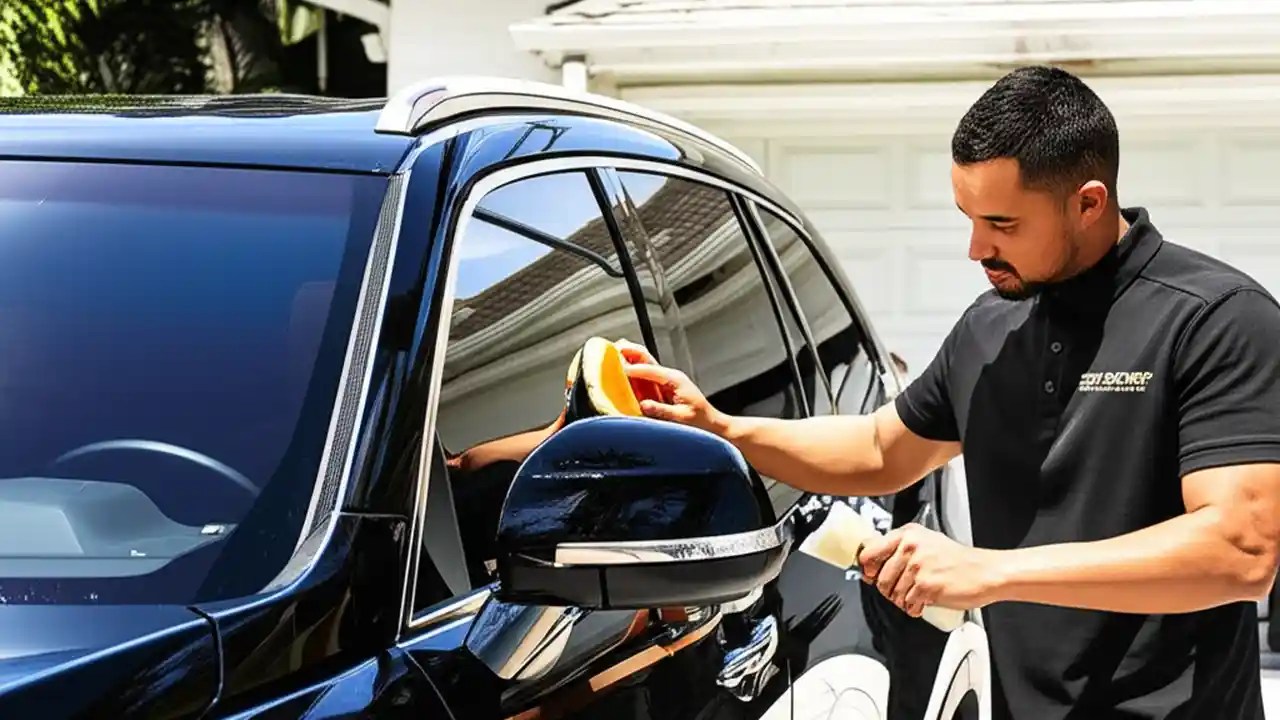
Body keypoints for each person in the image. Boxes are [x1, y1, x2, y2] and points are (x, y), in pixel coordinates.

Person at [620, 65, 1280, 719]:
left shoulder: (1215, 318)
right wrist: (721, 427)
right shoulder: (988, 329)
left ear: (1088, 203)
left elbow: (1241, 548)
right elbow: (883, 448)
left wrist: (990, 571)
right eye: (967, 216)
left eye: (1003, 223)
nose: (975, 248)